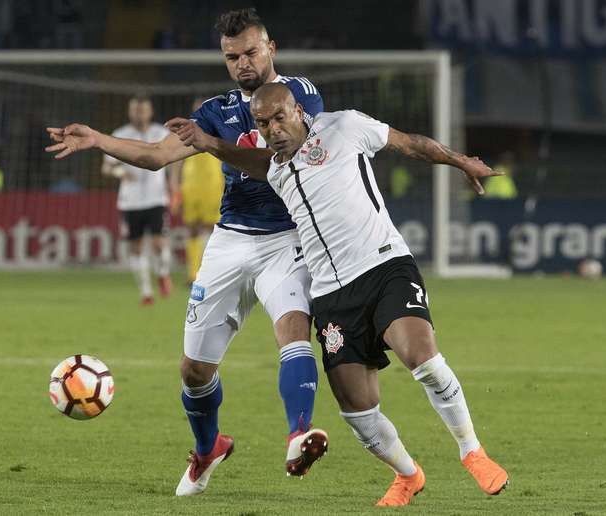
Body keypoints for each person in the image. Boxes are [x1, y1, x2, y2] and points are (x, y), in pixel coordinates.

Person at [167, 82, 509, 507]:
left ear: (298, 110)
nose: (273, 129)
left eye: (279, 118)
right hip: (330, 293)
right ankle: (407, 475)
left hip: (384, 267)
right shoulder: (272, 167)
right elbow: (244, 158)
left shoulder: (345, 126)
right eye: (262, 124)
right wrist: (207, 142)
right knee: (358, 412)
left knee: (423, 359)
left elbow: (410, 145)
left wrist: (461, 162)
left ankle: (471, 451)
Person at [46, 8, 328, 495]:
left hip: (289, 237)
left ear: (271, 48)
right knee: (194, 370)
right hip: (231, 240)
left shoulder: (298, 96)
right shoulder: (215, 111)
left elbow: (283, 160)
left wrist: (212, 145)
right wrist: (97, 139)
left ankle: (299, 435)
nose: (242, 63)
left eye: (250, 52)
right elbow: (157, 157)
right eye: (231, 56)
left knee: (293, 330)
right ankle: (208, 449)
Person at [101, 96, 178, 305]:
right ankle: (146, 293)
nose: (139, 114)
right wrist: (119, 172)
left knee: (159, 243)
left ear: (150, 112)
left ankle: (162, 273)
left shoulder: (160, 133)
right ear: (130, 112)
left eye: (143, 110)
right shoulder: (120, 135)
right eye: (135, 110)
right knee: (135, 247)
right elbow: (106, 167)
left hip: (156, 198)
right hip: (130, 201)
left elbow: (173, 163)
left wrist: (173, 186)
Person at [173, 98, 225, 284]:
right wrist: (174, 187)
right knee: (192, 229)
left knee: (213, 230)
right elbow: (175, 160)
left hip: (213, 184)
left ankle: (209, 272)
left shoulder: (221, 128)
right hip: (190, 185)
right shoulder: (185, 132)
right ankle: (193, 273)